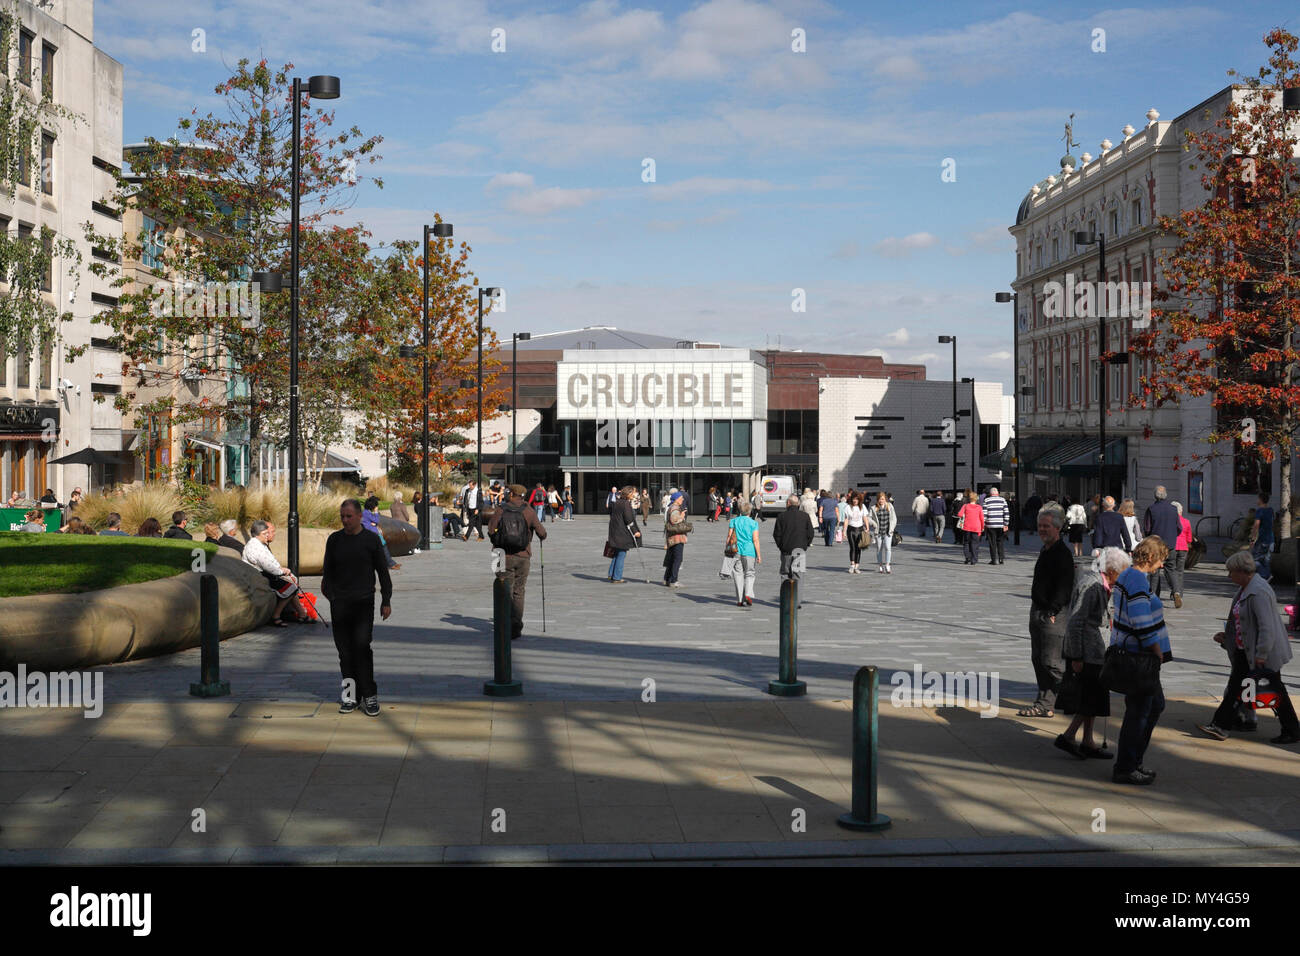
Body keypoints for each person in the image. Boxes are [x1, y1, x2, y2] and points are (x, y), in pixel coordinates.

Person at [1196, 550, 1298, 744]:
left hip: (1261, 653)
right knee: (1238, 688)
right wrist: (1228, 638)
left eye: (1231, 572)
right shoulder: (1247, 588)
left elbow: (1266, 627)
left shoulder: (1257, 592)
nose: (1229, 576)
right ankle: (1223, 724)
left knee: (1273, 690)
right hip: (1248, 651)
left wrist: (1261, 654)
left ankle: (1291, 730)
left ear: (1242, 571)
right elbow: (1244, 623)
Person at [1110, 536, 1174, 784]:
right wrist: (1157, 651)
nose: (1162, 565)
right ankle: (1127, 766)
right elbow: (1141, 621)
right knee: (1141, 711)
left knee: (1152, 706)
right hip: (1141, 657)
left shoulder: (1128, 575)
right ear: (1151, 557)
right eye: (1161, 560)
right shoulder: (1136, 579)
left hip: (1134, 654)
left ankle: (1132, 761)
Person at [321, 499, 393, 716]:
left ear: (360, 516)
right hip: (340, 604)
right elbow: (327, 570)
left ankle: (369, 695)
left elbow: (382, 572)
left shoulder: (371, 540)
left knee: (361, 648)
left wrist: (386, 600)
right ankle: (350, 696)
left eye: (349, 516)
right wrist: (331, 594)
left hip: (363, 603)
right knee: (344, 652)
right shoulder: (334, 540)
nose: (345, 520)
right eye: (342, 516)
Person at [1056, 547, 1127, 760]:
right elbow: (1076, 621)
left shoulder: (1103, 585)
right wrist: (1076, 656)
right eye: (1122, 572)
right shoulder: (1092, 585)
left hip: (1097, 652)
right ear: (1112, 570)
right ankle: (1069, 736)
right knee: (1089, 698)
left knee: (1094, 698)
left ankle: (1087, 740)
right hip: (1087, 653)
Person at [1019, 505, 1073, 718]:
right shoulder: (1046, 550)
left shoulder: (1062, 554)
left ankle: (1078, 696)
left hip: (1053, 614)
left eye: (1046, 526)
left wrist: (1053, 610)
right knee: (1039, 660)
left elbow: (1065, 586)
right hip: (1038, 610)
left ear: (1057, 528)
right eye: (1040, 526)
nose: (1042, 529)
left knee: (1053, 663)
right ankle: (1044, 704)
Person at [488, 484, 547, 639]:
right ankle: (515, 626)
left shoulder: (501, 509)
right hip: (523, 555)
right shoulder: (529, 511)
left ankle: (503, 624)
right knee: (518, 591)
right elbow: (542, 533)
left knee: (503, 589)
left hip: (501, 555)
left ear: (511, 494)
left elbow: (490, 530)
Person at [242, 519, 306, 627]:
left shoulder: (260, 544)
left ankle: (302, 614)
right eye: (265, 533)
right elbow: (268, 566)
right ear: (258, 534)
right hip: (258, 576)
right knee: (291, 587)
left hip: (263, 573)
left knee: (292, 584)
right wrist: (282, 571)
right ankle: (276, 616)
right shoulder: (255, 546)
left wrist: (281, 570)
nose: (267, 535)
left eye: (268, 533)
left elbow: (271, 562)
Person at [1142, 485, 1182, 604]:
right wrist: (1172, 536)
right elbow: (1179, 527)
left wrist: (1148, 539)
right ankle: (1176, 592)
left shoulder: (1151, 509)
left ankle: (1153, 596)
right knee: (1171, 569)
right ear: (1166, 495)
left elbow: (1147, 528)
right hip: (1170, 545)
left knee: (1154, 571)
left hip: (1155, 544)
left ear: (1155, 495)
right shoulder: (1173, 509)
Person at [774, 493, 814, 608]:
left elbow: (776, 534)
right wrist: (805, 545)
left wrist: (781, 546)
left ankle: (786, 601)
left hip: (786, 551)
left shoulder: (781, 516)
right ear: (798, 504)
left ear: (788, 503)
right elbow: (810, 533)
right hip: (800, 550)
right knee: (798, 576)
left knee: (785, 575)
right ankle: (796, 602)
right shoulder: (805, 516)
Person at [727, 499, 761, 607]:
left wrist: (727, 550)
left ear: (740, 510)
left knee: (738, 574)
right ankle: (748, 593)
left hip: (736, 551)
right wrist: (759, 555)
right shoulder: (753, 523)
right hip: (749, 551)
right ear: (750, 511)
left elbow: (729, 536)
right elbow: (755, 540)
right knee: (750, 573)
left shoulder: (734, 521)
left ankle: (739, 600)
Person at [605, 486, 641, 582]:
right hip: (622, 532)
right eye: (632, 493)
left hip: (615, 531)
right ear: (628, 494)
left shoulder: (617, 502)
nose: (634, 495)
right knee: (621, 554)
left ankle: (611, 574)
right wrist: (635, 531)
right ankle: (617, 577)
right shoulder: (626, 503)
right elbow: (629, 519)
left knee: (617, 553)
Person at [663, 491, 690, 588]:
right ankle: (674, 580)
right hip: (677, 537)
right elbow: (674, 520)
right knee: (677, 559)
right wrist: (682, 517)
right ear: (677, 499)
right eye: (681, 498)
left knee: (671, 558)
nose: (683, 499)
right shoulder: (675, 508)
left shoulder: (672, 507)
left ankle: (667, 579)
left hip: (672, 537)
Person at [868, 491, 897, 573]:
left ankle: (887, 565)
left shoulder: (889, 506)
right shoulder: (873, 508)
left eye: (883, 499)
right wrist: (874, 524)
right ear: (877, 500)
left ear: (885, 499)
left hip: (888, 531)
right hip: (879, 532)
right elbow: (868, 518)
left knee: (888, 548)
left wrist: (892, 528)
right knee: (879, 549)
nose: (881, 501)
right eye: (879, 499)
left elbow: (894, 518)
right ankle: (880, 565)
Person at [1249, 492, 1275, 583]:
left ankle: (1263, 577)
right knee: (1266, 560)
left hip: (1262, 540)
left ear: (1260, 499)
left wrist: (1252, 539)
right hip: (1270, 539)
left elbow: (1256, 526)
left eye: (1258, 499)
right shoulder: (1270, 510)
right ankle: (1266, 576)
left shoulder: (1260, 511)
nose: (1257, 501)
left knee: (1256, 559)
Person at [956, 490, 985, 566]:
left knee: (966, 543)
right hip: (976, 527)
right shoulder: (979, 507)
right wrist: (982, 527)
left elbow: (959, 514)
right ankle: (974, 560)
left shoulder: (965, 506)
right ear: (976, 499)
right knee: (975, 544)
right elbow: (982, 518)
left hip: (967, 527)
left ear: (969, 498)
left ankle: (967, 557)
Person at [982, 486, 1010, 565]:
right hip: (1001, 525)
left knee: (992, 543)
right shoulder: (1003, 500)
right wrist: (1006, 523)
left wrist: (984, 523)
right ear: (997, 493)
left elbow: (984, 514)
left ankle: (994, 559)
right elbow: (1006, 513)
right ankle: (1001, 558)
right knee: (1000, 542)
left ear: (990, 494)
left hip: (990, 525)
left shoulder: (986, 500)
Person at [1172, 501, 1192, 605]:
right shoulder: (1186, 521)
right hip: (1183, 548)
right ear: (1180, 511)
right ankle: (1179, 593)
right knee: (1180, 571)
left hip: (1173, 547)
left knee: (1172, 570)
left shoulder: (1171, 521)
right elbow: (1189, 538)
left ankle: (1174, 591)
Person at [844, 492, 868, 573]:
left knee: (858, 548)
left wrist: (867, 527)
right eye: (854, 499)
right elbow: (846, 519)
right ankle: (852, 565)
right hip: (851, 529)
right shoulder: (848, 507)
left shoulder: (862, 507)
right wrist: (844, 531)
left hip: (860, 529)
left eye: (857, 499)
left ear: (859, 500)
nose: (855, 500)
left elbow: (865, 517)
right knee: (852, 547)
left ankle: (857, 566)